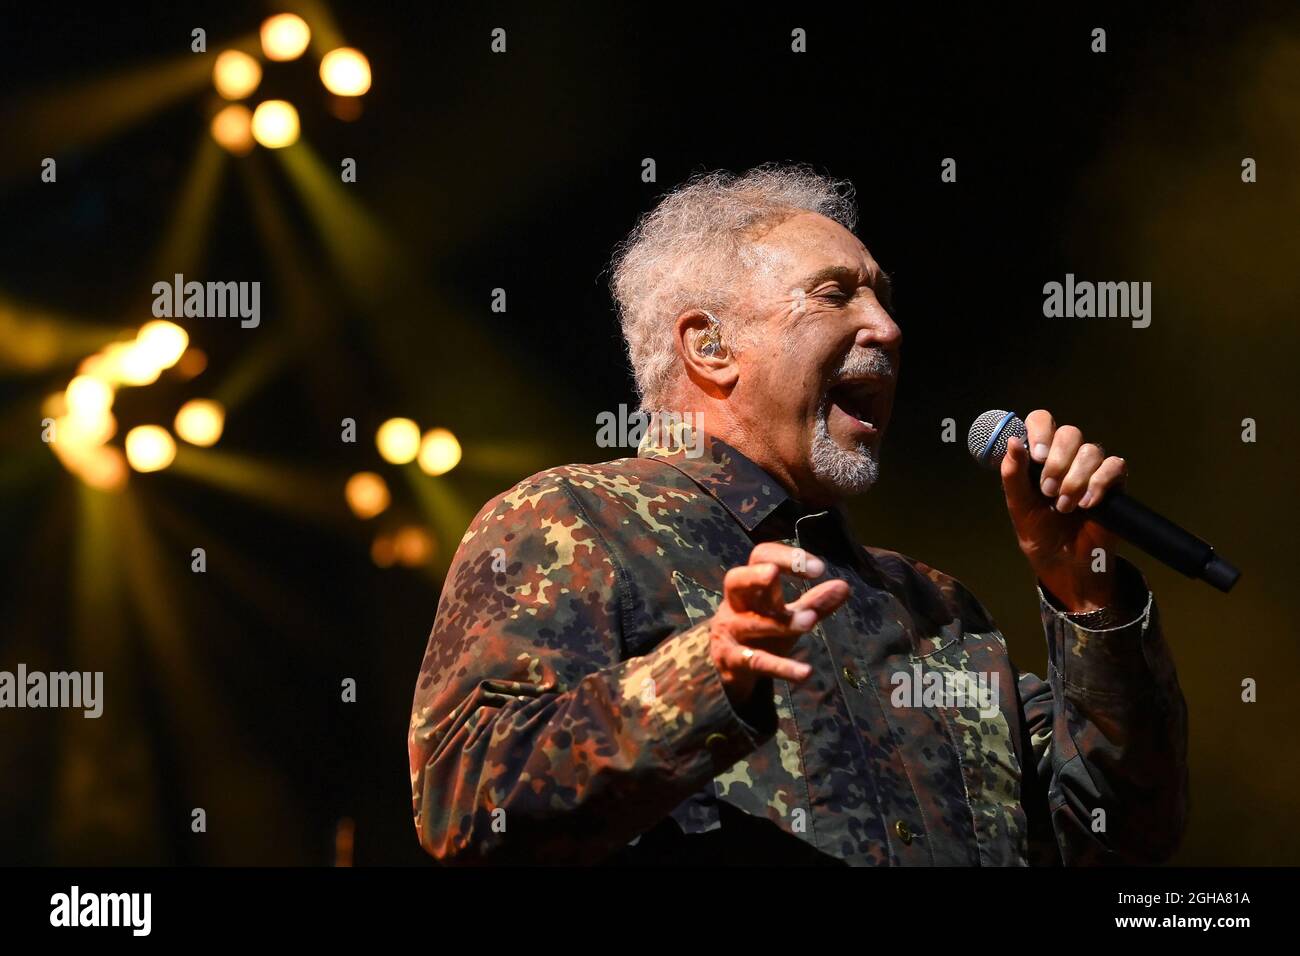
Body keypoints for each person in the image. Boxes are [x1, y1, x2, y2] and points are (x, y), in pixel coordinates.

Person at [407, 164, 1187, 865]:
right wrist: (704, 678)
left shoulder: (938, 610)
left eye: (882, 295)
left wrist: (1087, 597)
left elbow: (1125, 842)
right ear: (710, 346)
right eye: (836, 293)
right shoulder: (573, 520)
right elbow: (470, 806)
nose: (886, 326)